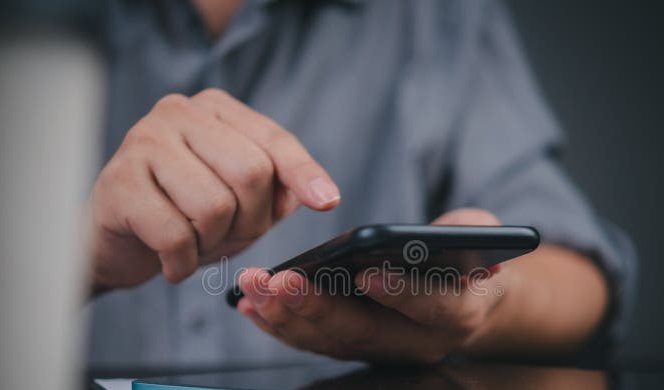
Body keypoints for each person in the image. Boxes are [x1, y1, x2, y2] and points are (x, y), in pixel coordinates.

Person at [87, 0, 636, 370]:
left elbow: (583, 275)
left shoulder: (434, 15)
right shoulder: (22, 23)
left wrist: (488, 302)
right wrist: (81, 261)